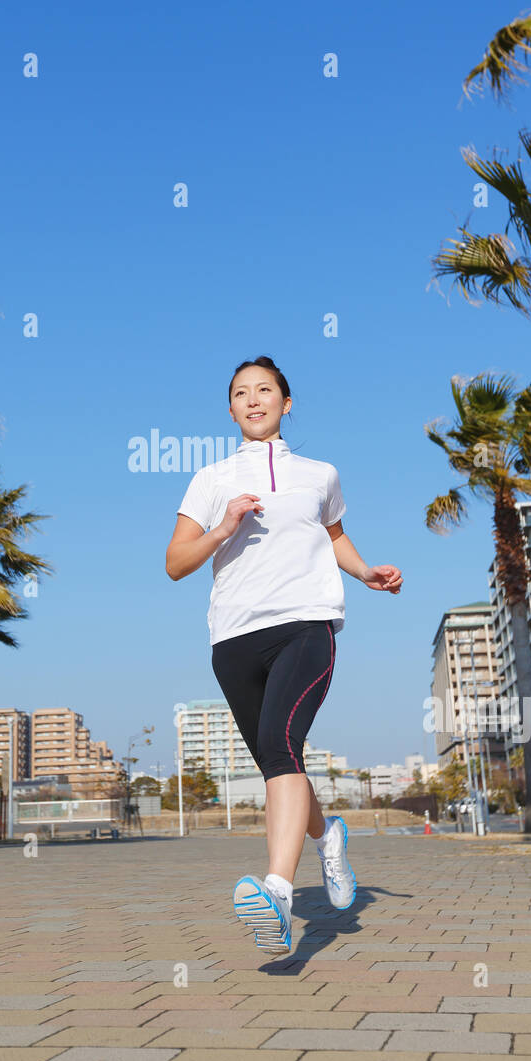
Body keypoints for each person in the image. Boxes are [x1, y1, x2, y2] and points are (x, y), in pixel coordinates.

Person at [165, 356, 403, 955]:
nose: (253, 400)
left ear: (286, 402)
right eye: (241, 393)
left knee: (278, 746)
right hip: (233, 638)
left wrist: (367, 571)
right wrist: (223, 528)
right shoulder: (210, 478)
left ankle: (277, 891)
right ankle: (328, 840)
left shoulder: (321, 473)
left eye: (264, 390)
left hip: (305, 624)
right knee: (281, 760)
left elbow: (334, 535)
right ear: (229, 408)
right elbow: (175, 563)